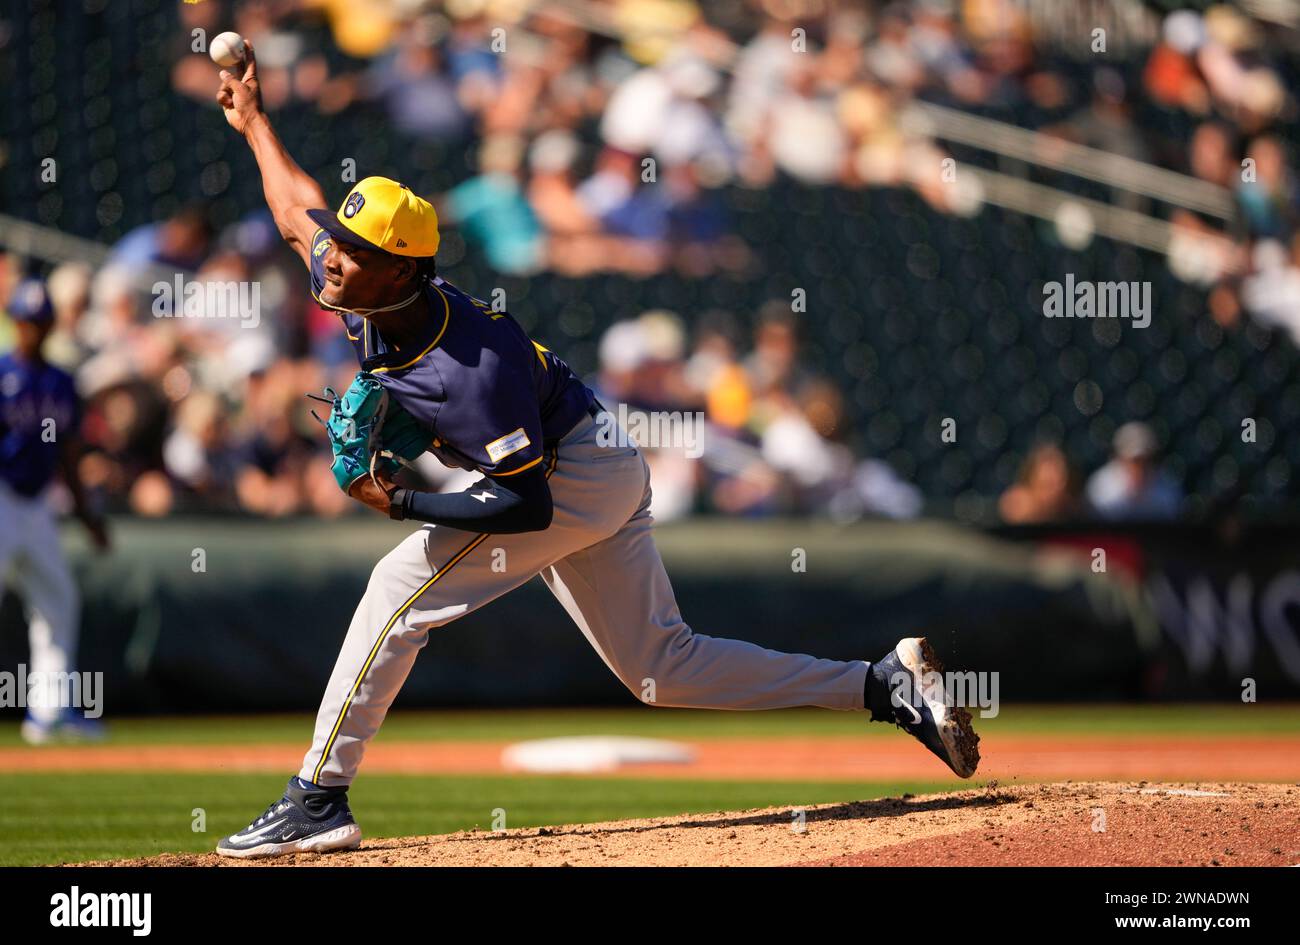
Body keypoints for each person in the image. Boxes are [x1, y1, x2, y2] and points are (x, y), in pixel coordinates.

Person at [212, 42, 981, 858]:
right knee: (662, 668)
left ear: (400, 271)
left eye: (354, 250)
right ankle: (881, 684)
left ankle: (319, 795)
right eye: (341, 241)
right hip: (595, 453)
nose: (332, 256)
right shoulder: (366, 291)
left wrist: (398, 501)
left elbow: (526, 504)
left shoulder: (467, 367)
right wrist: (256, 123)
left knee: (397, 585)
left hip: (565, 473)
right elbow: (298, 210)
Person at [0, 279, 110, 744]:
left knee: (58, 599)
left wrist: (86, 516)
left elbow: (67, 452)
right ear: (15, 323)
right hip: (2, 495)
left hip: (39, 502)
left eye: (41, 322)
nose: (34, 330)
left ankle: (47, 715)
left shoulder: (62, 381)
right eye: (27, 322)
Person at [1086, 422, 1183, 520]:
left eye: (1146, 460)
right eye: (1135, 461)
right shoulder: (1101, 490)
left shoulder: (1168, 492)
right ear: (1119, 458)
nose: (1141, 467)